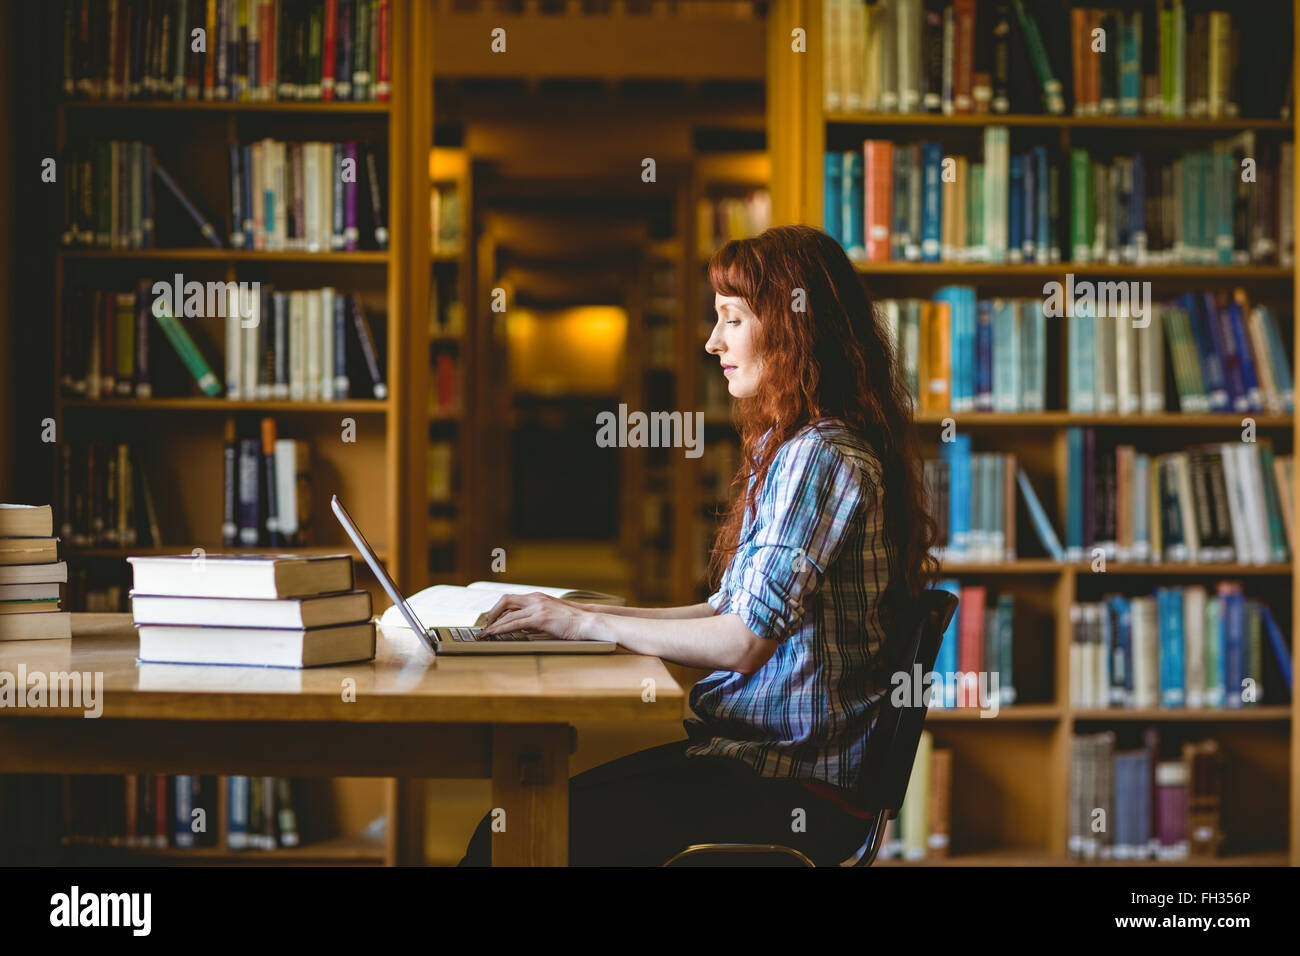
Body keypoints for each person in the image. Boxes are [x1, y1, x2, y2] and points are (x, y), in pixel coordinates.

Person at [458, 223, 937, 866]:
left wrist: (583, 621)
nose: (712, 342)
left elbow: (740, 644)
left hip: (789, 784)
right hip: (752, 760)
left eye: (732, 320)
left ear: (796, 327)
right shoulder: (794, 447)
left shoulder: (819, 457)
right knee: (511, 826)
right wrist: (566, 618)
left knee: (510, 837)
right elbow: (724, 610)